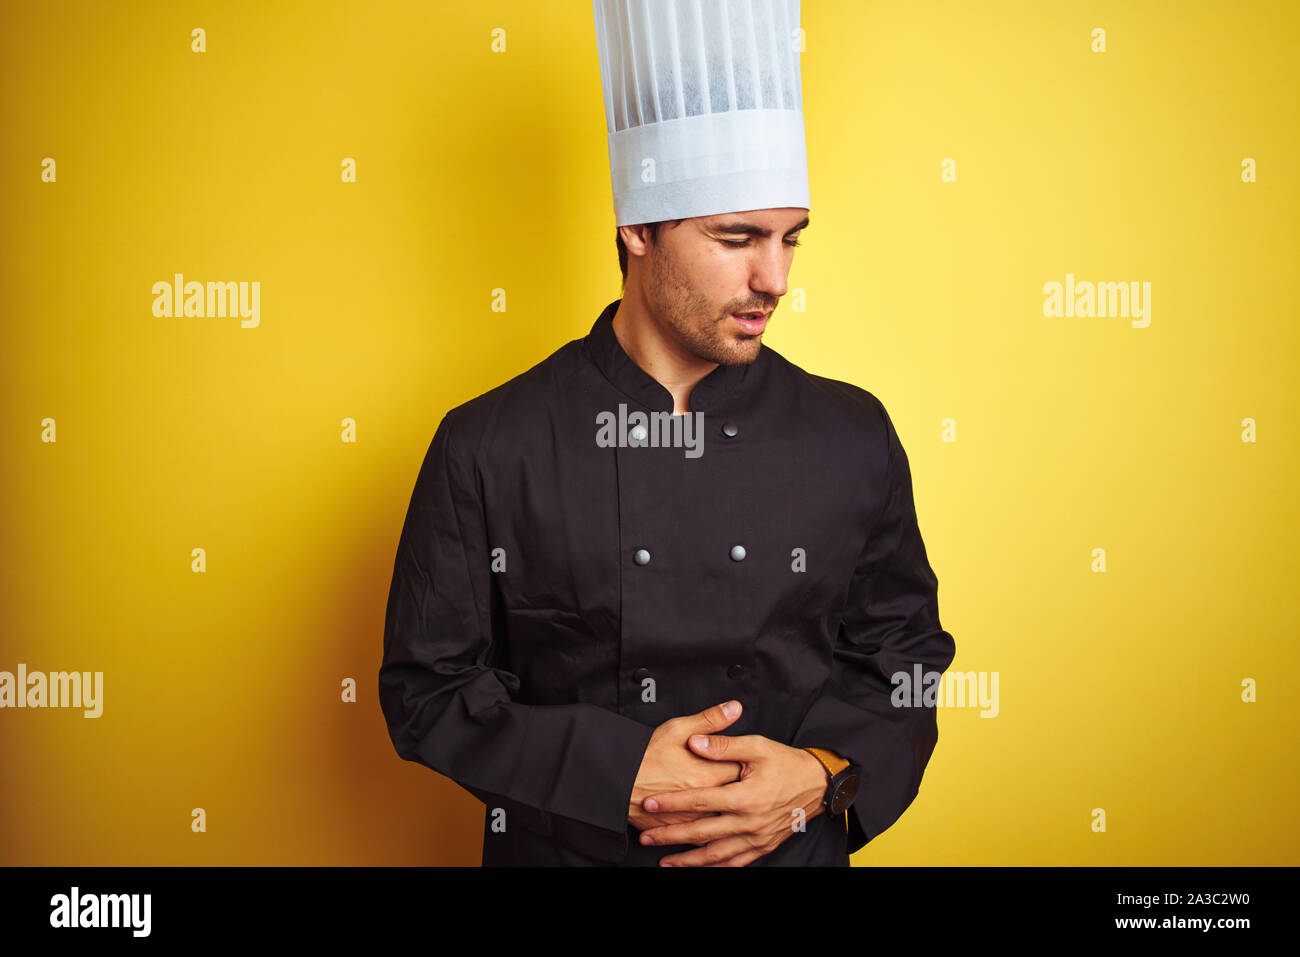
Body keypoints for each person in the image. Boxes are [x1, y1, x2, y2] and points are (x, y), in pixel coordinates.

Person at [378, 0, 956, 867]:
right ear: (638, 229)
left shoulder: (851, 433)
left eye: (791, 239)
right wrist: (613, 769)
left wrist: (823, 772)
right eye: (737, 238)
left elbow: (903, 655)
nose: (776, 278)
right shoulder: (489, 444)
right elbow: (428, 691)